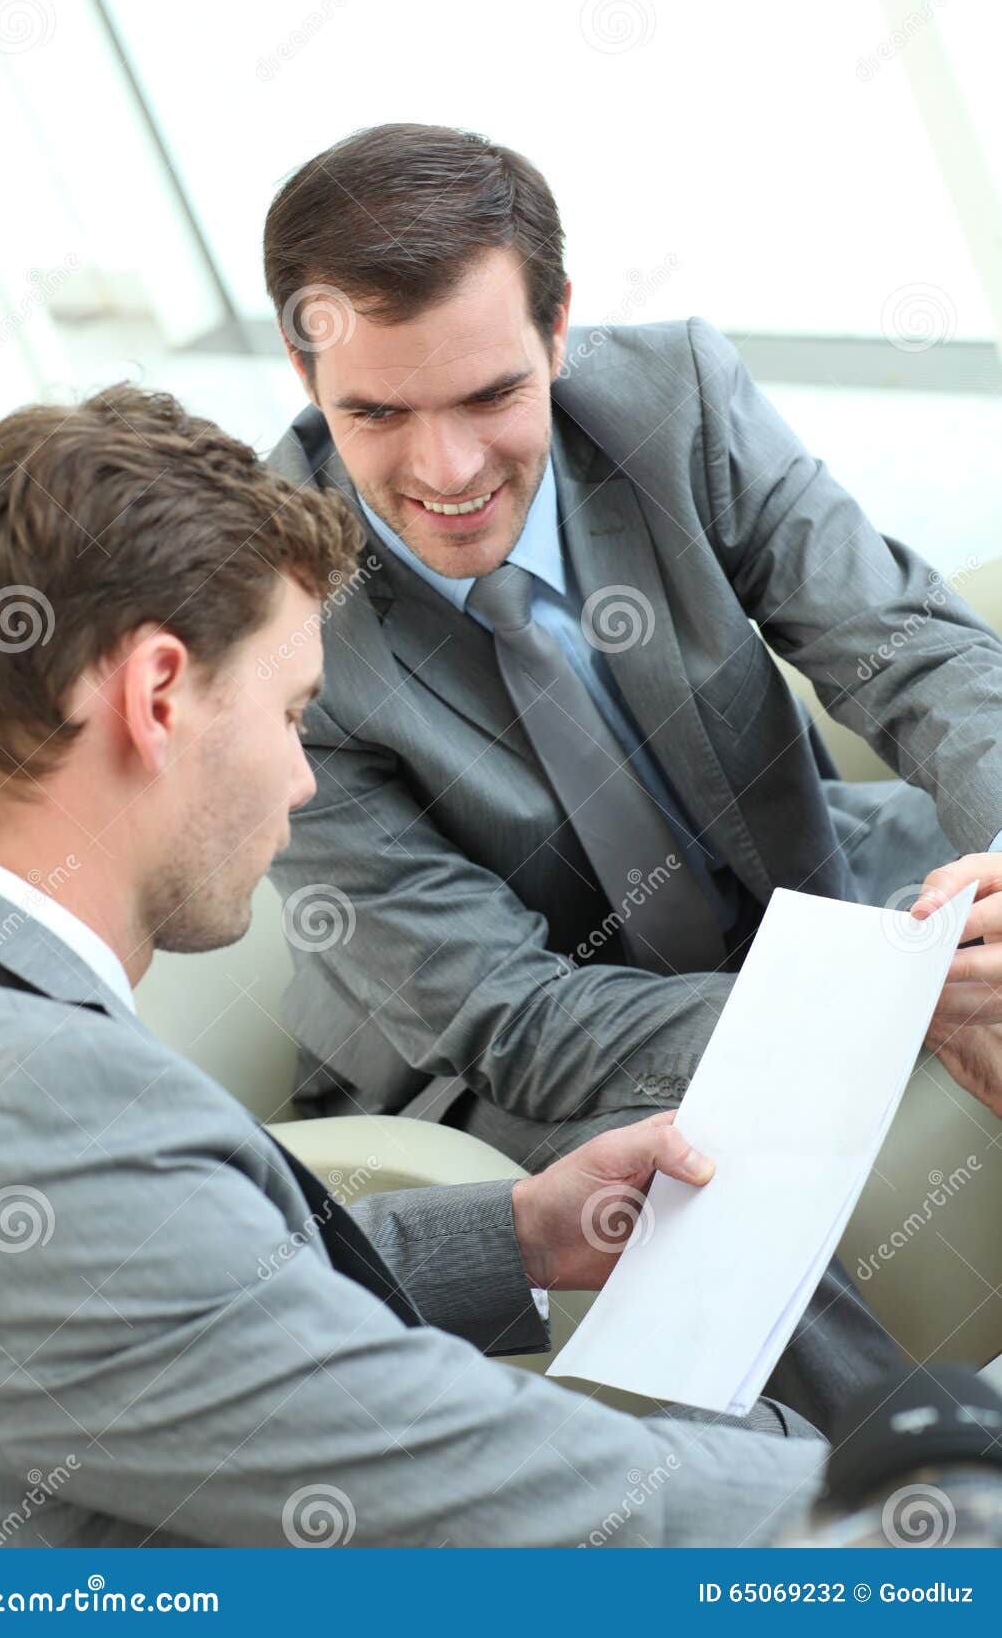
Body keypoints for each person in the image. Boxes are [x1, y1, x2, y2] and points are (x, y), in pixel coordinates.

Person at [0, 385, 828, 1550]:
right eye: (293, 713)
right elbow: (492, 1492)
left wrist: (515, 1236)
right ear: (156, 698)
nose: (303, 780)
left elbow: (150, 1304)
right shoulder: (35, 1104)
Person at [261, 121, 1002, 1432]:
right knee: (703, 1197)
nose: (443, 471)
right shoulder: (268, 606)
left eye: (489, 394)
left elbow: (912, 657)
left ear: (556, 331)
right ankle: (923, 1500)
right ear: (303, 372)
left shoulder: (671, 405)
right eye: (375, 410)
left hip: (800, 887)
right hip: (507, 1047)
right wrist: (875, 1002)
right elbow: (506, 1013)